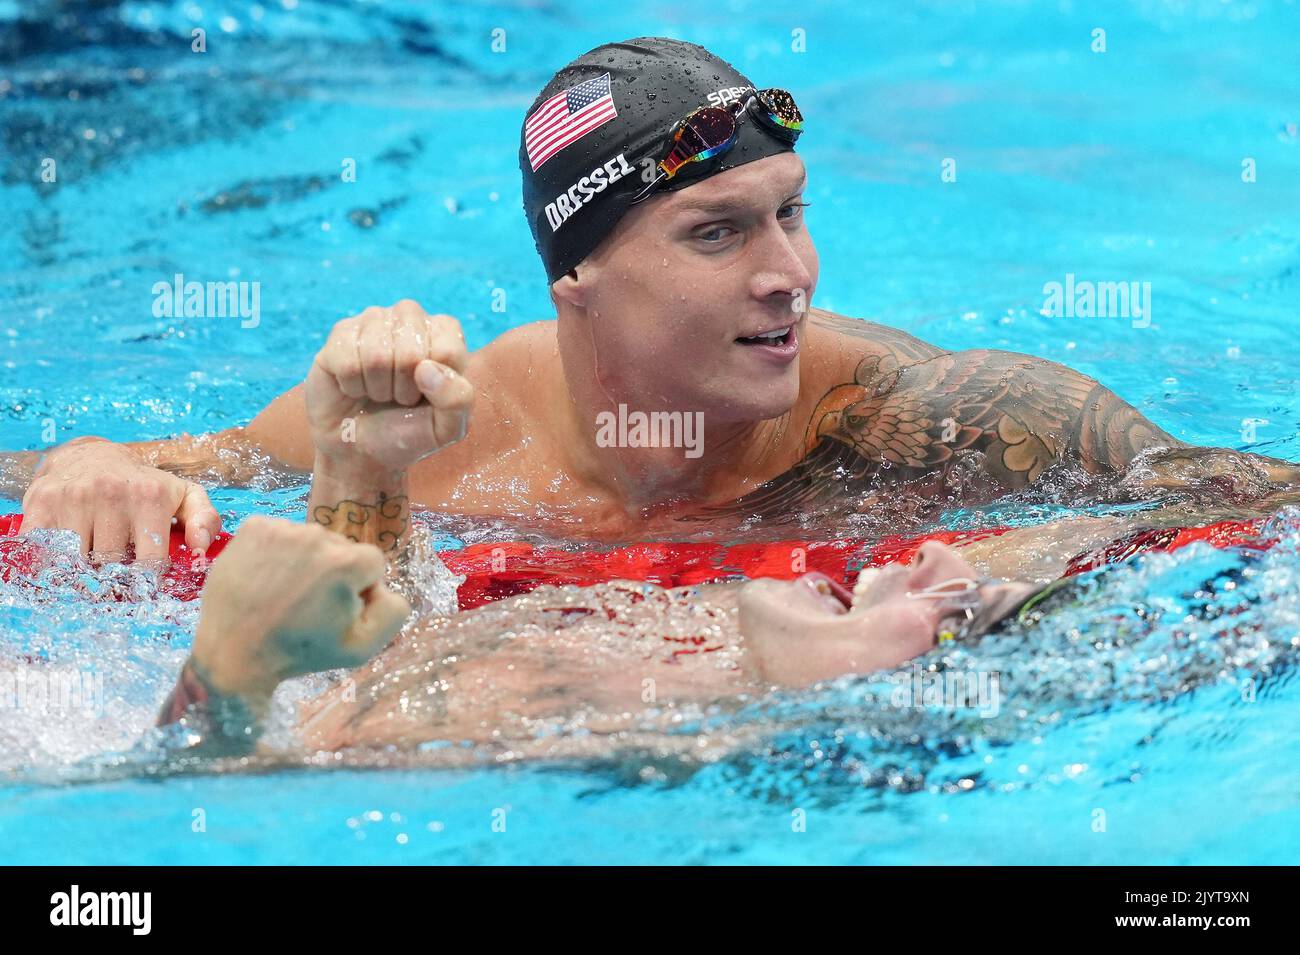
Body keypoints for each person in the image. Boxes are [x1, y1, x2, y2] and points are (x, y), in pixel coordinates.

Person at [5, 37, 1299, 567]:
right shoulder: (458, 416)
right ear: (578, 283)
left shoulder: (899, 411)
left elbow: (1195, 480)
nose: (788, 271)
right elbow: (150, 461)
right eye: (719, 232)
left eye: (792, 211)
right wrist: (89, 459)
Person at [158, 508, 1230, 760]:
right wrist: (368, 474)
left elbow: (230, 799)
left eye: (958, 613)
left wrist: (230, 669)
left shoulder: (630, 725)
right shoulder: (719, 644)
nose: (937, 562)